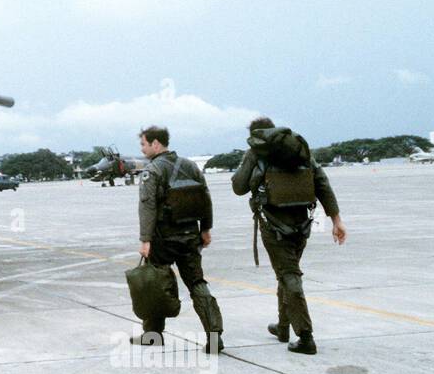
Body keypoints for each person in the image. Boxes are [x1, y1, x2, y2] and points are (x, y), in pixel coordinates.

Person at [231, 116, 347, 355]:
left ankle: (305, 336)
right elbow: (321, 182)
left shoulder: (256, 152)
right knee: (286, 273)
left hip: (273, 225)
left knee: (289, 275)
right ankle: (283, 326)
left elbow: (239, 187)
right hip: (303, 223)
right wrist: (336, 220)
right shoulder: (298, 149)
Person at [135, 125, 224, 353]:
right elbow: (205, 199)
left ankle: (152, 336)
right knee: (197, 283)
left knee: (154, 286)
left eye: (144, 144)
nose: (142, 149)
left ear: (156, 144)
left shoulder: (151, 171)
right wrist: (205, 229)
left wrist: (145, 240)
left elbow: (147, 207)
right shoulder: (190, 166)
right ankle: (215, 338)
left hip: (162, 240)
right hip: (190, 236)